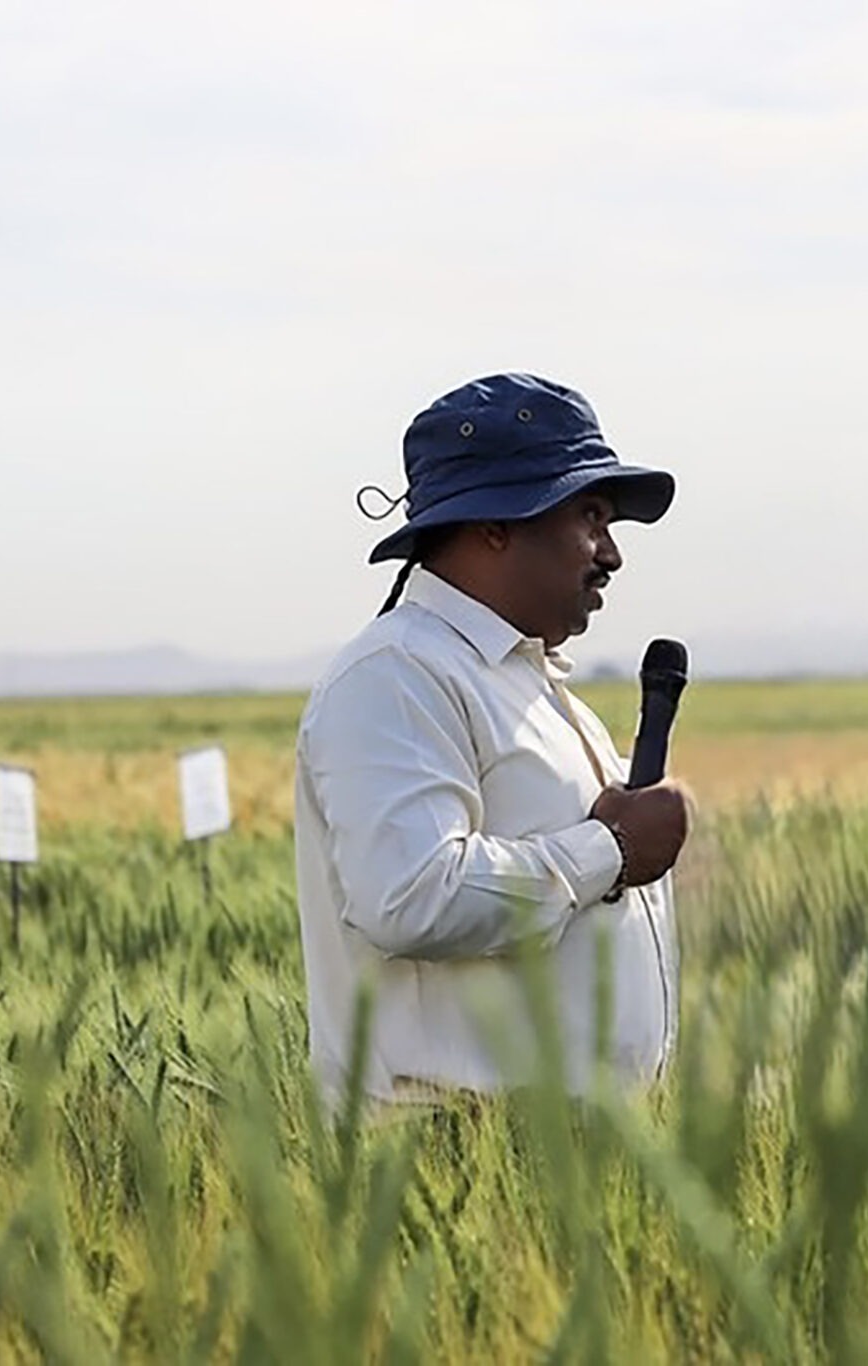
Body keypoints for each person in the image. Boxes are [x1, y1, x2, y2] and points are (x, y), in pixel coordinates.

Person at [295, 373, 693, 1106]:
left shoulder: (523, 681)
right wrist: (610, 849)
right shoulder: (397, 675)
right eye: (592, 516)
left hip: (568, 1163)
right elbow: (411, 896)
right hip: (450, 1167)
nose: (611, 554)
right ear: (496, 523)